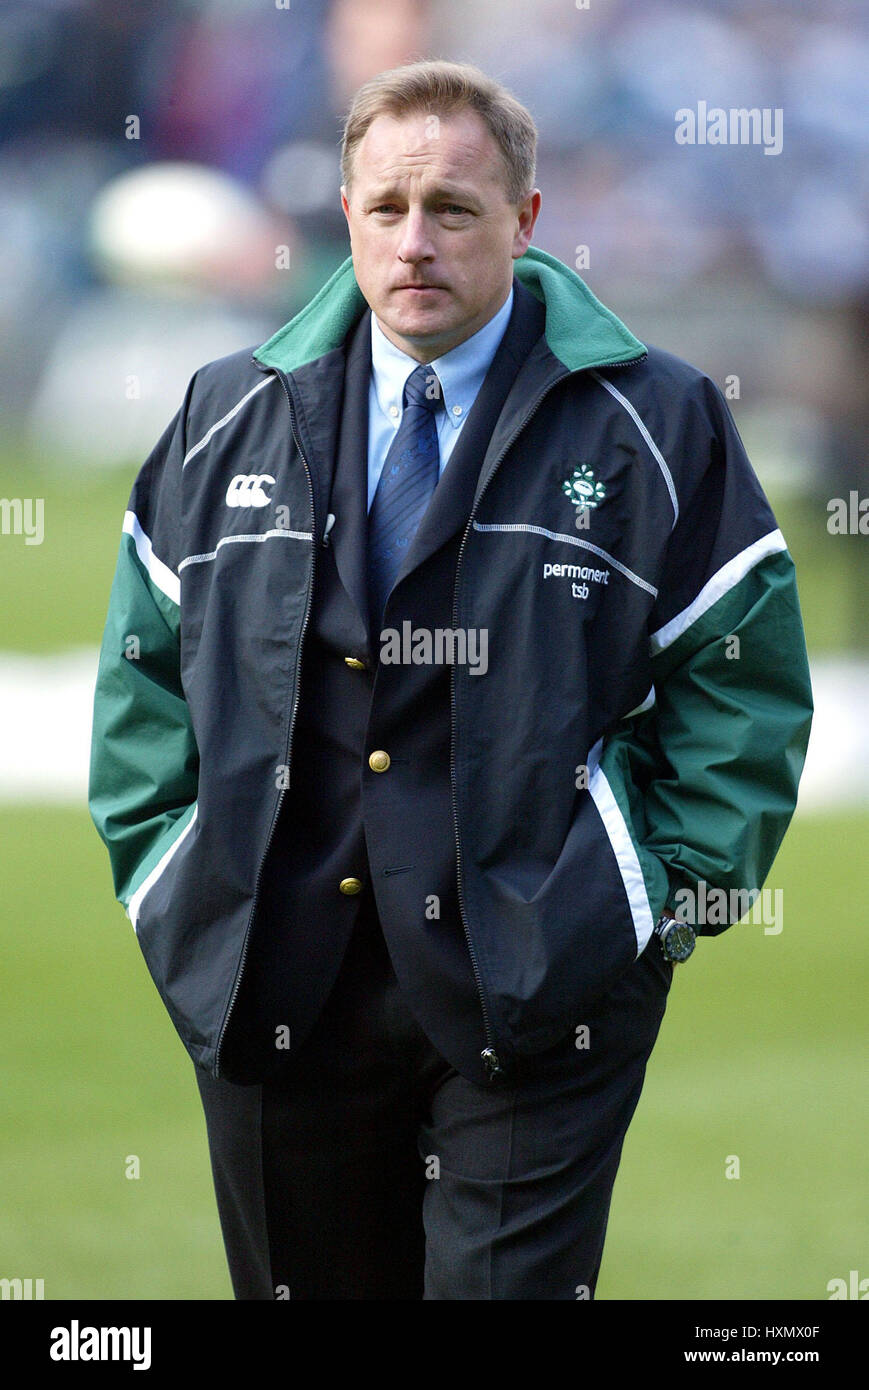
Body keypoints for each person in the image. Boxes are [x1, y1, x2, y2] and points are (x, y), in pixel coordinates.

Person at [88, 59, 813, 1300]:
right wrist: (177, 893)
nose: (413, 243)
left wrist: (639, 909)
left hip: (538, 996)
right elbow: (141, 688)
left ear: (524, 222)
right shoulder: (224, 413)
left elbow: (740, 684)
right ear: (347, 214)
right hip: (275, 997)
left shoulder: (657, 418)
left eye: (454, 211)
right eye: (384, 210)